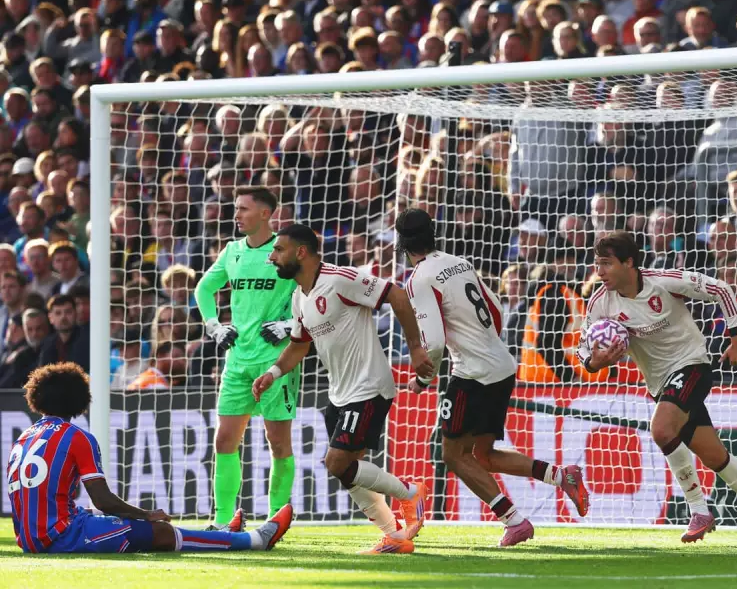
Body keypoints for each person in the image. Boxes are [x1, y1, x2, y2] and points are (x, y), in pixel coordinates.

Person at [578, 231, 737, 544]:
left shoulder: (663, 281)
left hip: (693, 364)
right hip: (661, 383)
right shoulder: (600, 304)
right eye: (597, 264)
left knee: (661, 430)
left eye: (606, 264)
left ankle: (699, 510)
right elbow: (585, 353)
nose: (600, 271)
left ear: (629, 262)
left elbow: (721, 289)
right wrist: (598, 362)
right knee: (716, 457)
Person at [395, 209, 589, 547]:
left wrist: (423, 380)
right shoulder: (461, 262)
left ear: (403, 245)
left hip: (472, 373)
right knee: (482, 455)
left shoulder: (418, 279)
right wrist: (488, 344)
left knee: (453, 455)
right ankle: (562, 476)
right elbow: (497, 308)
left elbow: (435, 343)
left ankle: (513, 521)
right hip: (501, 364)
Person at [253, 223, 434, 554]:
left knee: (336, 463)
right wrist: (273, 372)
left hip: (368, 386)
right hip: (339, 392)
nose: (273, 257)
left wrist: (416, 348)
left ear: (301, 252)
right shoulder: (298, 297)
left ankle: (410, 493)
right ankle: (394, 536)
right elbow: (298, 345)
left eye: (279, 250)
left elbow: (394, 293)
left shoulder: (339, 279)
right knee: (350, 472)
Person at [7, 361, 292, 554]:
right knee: (160, 532)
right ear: (79, 399)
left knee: (106, 518)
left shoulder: (23, 438)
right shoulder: (76, 436)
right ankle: (253, 540)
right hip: (61, 537)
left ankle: (224, 533)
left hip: (32, 537)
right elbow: (102, 499)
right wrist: (145, 514)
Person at [194, 187, 300, 528]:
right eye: (236, 208)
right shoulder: (232, 252)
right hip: (238, 360)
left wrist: (289, 324)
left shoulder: (284, 251)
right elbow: (203, 289)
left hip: (275, 361)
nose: (236, 214)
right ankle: (224, 519)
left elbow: (313, 290)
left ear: (266, 214)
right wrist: (214, 326)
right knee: (225, 439)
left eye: (243, 209)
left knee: (278, 441)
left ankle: (276, 519)